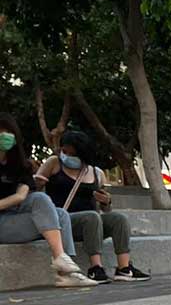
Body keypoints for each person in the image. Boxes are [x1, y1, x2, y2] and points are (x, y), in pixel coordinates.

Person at [35, 130, 150, 283]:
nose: (67, 156)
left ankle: (124, 268)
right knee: (91, 216)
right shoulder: (54, 163)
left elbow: (106, 210)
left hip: (92, 225)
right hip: (63, 221)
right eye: (64, 151)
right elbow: (35, 186)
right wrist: (38, 183)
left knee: (118, 219)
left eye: (72, 153)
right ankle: (96, 268)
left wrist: (106, 201)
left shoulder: (96, 173)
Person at [0, 114, 95, 287]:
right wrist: (18, 198)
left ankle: (66, 271)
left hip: (15, 217)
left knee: (59, 213)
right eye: (1, 132)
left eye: (8, 132)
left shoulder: (21, 165)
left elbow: (25, 195)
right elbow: (21, 196)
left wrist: (20, 197)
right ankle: (62, 261)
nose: (4, 136)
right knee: (41, 202)